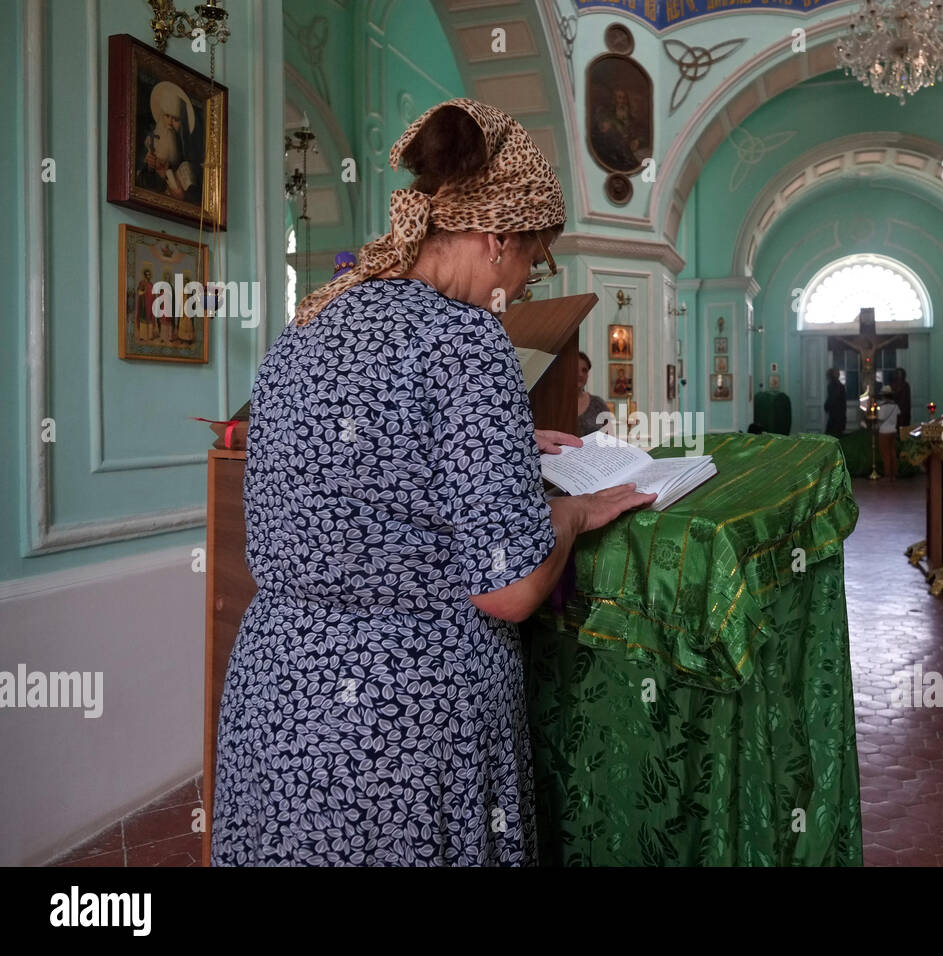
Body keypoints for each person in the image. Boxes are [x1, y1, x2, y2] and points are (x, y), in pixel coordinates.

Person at [211, 98, 655, 867]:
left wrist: (505, 442)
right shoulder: (466, 338)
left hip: (277, 694)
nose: (523, 282)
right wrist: (576, 512)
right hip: (405, 715)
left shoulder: (309, 324)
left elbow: (366, 469)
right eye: (532, 260)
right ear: (497, 238)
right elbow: (509, 590)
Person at [576, 350, 610, 435]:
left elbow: (610, 436)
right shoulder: (557, 404)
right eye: (575, 369)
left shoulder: (598, 404)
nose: (580, 374)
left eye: (584, 370)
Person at [877, 385, 900, 480]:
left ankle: (887, 474)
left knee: (885, 454)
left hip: (883, 432)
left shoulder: (882, 407)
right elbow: (899, 414)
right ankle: (894, 473)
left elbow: (880, 418)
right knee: (893, 452)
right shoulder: (895, 406)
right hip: (893, 430)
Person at [824, 368, 846, 435]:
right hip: (839, 414)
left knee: (832, 434)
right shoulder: (839, 385)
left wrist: (826, 406)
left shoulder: (833, 385)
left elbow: (833, 398)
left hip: (836, 414)